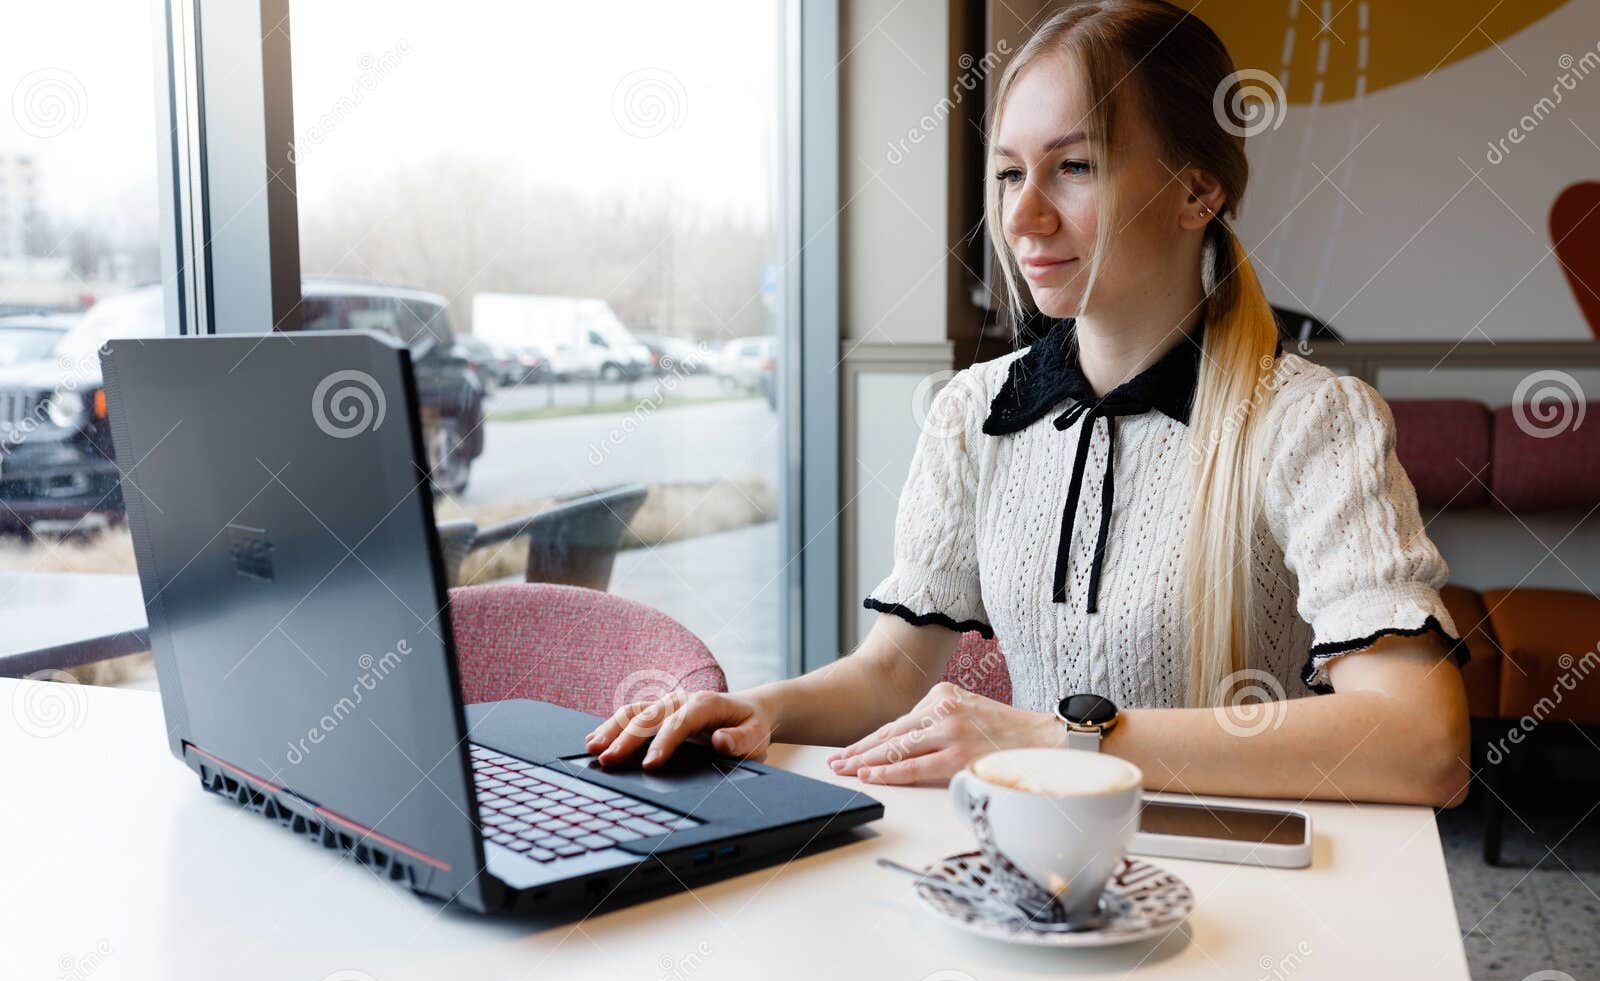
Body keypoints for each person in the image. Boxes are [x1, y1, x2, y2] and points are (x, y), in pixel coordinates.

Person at [584, 0, 1471, 806]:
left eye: (1074, 167)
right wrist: (757, 707)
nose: (1024, 217)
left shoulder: (1312, 422)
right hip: (1028, 870)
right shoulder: (972, 412)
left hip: (1235, 892)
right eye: (1010, 174)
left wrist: (1058, 737)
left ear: (1199, 191)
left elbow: (1424, 743)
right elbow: (895, 673)